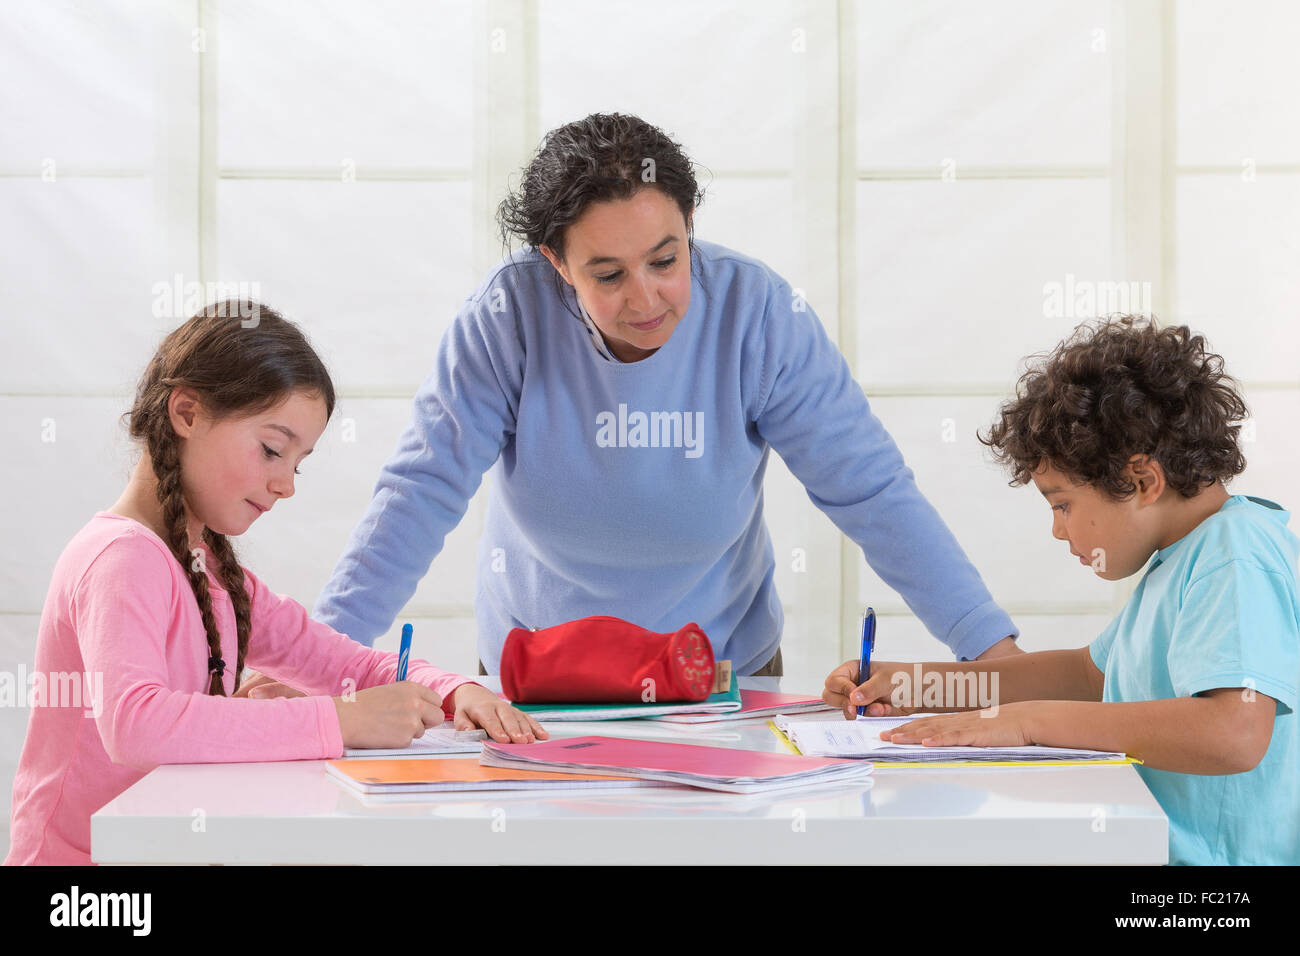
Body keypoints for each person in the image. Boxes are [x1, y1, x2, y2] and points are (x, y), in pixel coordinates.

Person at [311, 112, 1020, 678]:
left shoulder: (758, 313)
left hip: (721, 667)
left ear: (690, 229)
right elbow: (421, 490)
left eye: (666, 259)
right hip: (541, 671)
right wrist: (322, 656)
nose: (646, 298)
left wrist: (987, 648)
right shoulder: (504, 320)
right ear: (556, 264)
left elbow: (870, 489)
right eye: (608, 274)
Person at [5, 302, 544, 867]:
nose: (285, 485)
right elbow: (136, 723)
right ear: (186, 411)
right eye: (270, 449)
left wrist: (462, 692)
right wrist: (341, 719)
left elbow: (353, 666)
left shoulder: (214, 572)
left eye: (298, 463)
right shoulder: (120, 557)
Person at [823, 316, 1299, 865]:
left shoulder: (1235, 553)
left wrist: (1029, 724)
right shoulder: (1182, 559)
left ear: (1143, 481)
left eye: (1062, 504)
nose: (1058, 530)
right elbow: (1090, 677)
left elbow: (1234, 733)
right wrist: (917, 685)